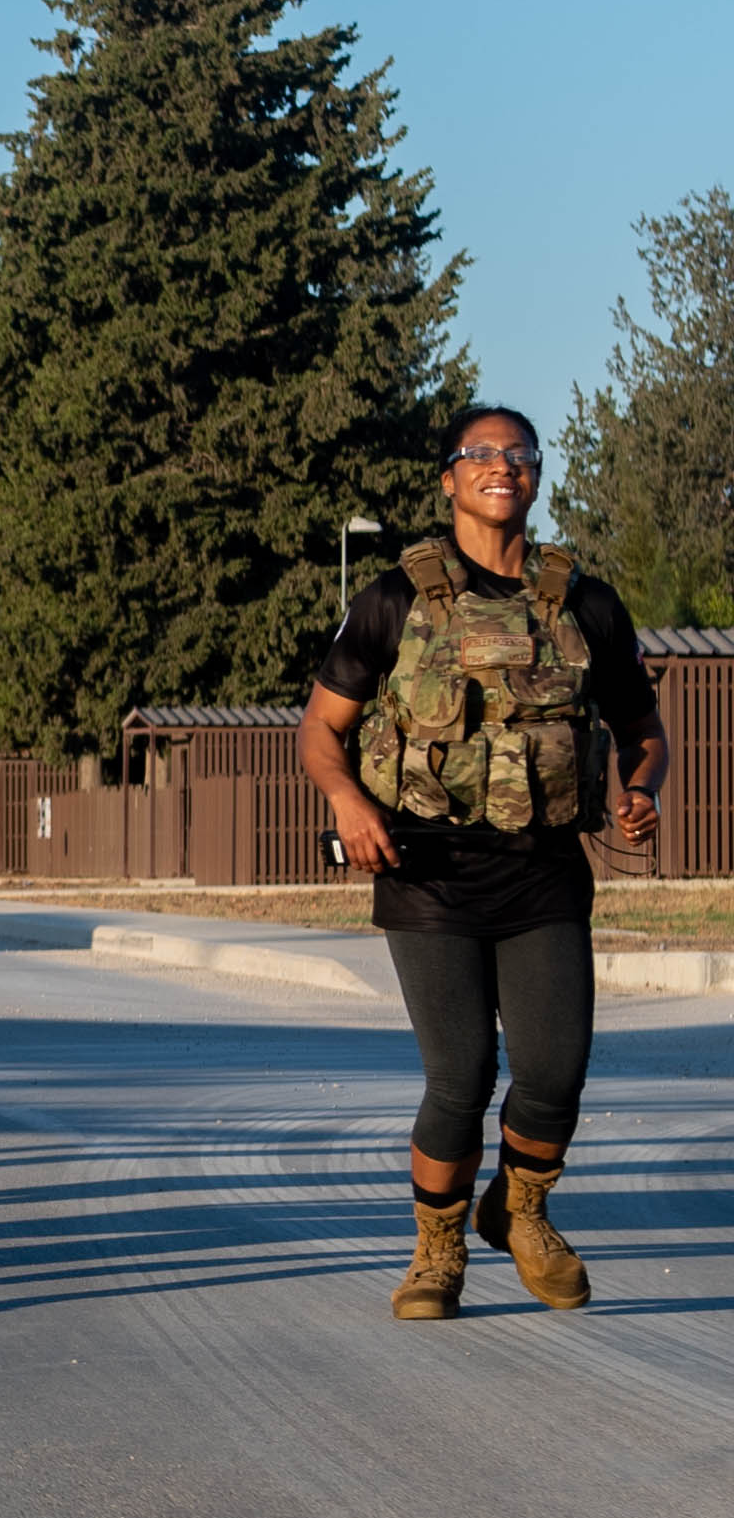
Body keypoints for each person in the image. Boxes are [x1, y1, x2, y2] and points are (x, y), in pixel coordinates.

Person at [298, 406, 666, 1321]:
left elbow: (644, 729)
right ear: (449, 478)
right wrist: (348, 802)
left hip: (544, 872)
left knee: (554, 1073)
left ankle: (521, 1209)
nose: (503, 467)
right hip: (428, 873)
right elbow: (320, 730)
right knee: (460, 1077)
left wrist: (641, 787)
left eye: (520, 454)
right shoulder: (393, 600)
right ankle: (437, 1248)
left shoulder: (586, 604)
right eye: (482, 454)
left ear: (536, 476)